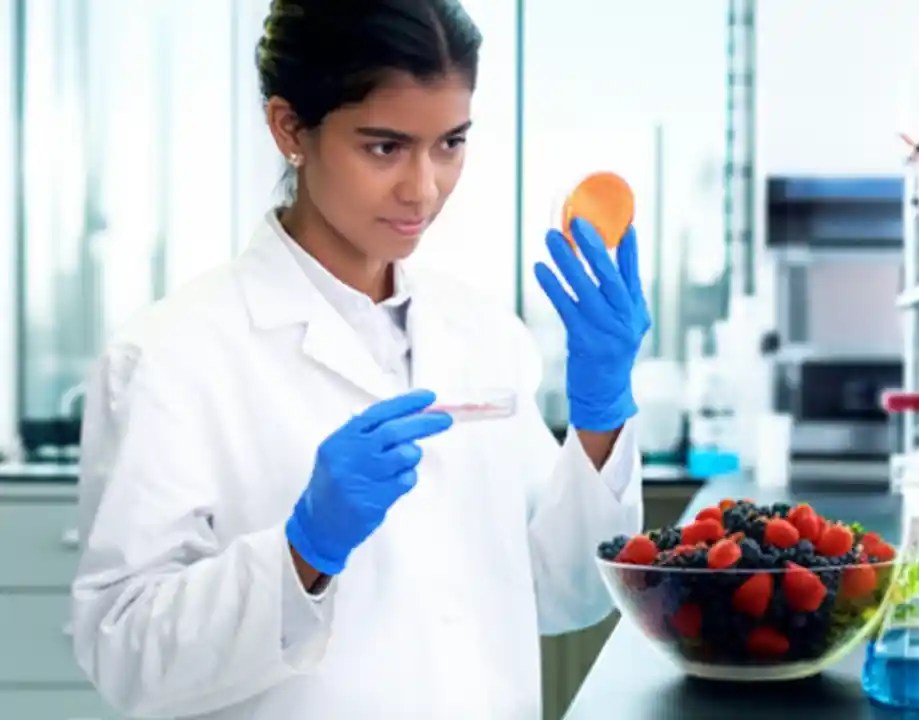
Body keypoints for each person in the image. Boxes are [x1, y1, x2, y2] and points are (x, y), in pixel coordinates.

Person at [70, 1, 650, 717]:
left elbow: (564, 592)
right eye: (384, 147)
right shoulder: (170, 357)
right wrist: (303, 550)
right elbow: (126, 655)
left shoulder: (484, 334)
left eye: (450, 143)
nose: (424, 188)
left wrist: (600, 418)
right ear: (290, 129)